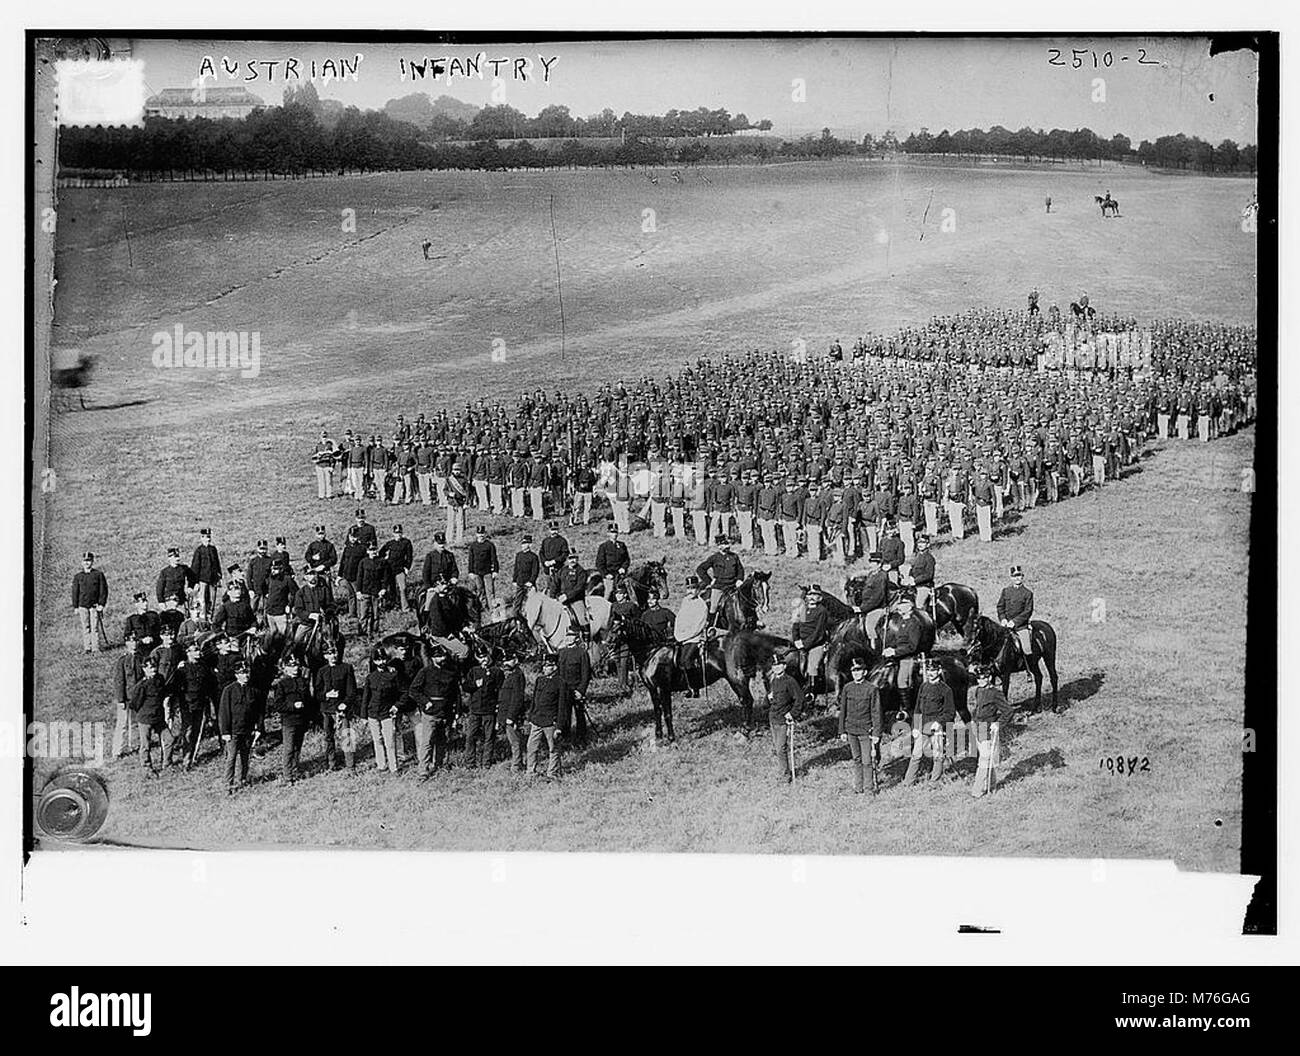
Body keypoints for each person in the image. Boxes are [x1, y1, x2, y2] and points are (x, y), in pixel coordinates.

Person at [407, 646, 459, 778]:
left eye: (443, 656)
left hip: (445, 711)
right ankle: (423, 769)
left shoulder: (451, 672)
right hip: (430, 713)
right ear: (432, 658)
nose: (441, 659)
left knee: (442, 740)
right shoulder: (425, 672)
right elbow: (413, 690)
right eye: (438, 656)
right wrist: (425, 702)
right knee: (427, 742)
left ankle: (439, 764)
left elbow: (456, 694)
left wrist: (456, 712)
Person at [902, 661, 956, 786]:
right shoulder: (923, 687)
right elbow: (917, 708)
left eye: (934, 670)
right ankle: (908, 782)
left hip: (936, 728)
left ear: (939, 671)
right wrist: (915, 727)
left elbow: (950, 712)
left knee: (938, 756)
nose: (931, 673)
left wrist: (940, 723)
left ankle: (934, 782)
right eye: (929, 671)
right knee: (916, 755)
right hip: (922, 726)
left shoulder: (946, 690)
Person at [837, 656, 883, 794]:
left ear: (864, 672)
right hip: (851, 730)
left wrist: (876, 734)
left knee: (867, 761)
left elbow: (876, 713)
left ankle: (869, 789)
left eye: (859, 670)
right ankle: (858, 787)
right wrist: (842, 731)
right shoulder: (847, 688)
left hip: (865, 730)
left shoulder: (872, 689)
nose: (856, 673)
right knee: (856, 759)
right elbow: (843, 710)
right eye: (854, 671)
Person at [970, 665, 1012, 798]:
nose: (980, 681)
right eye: (978, 678)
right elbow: (978, 708)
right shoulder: (978, 690)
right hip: (978, 727)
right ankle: (992, 785)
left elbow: (1009, 711)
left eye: (983, 678)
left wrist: (998, 724)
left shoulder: (996, 693)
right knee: (986, 758)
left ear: (989, 678)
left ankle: (977, 790)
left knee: (984, 759)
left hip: (988, 728)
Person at [314, 643, 358, 770]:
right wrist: (326, 694)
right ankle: (331, 764)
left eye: (334, 653)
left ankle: (350, 765)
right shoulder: (322, 671)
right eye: (329, 653)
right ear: (325, 656)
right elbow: (317, 693)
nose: (332, 656)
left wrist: (345, 704)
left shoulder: (346, 668)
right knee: (328, 737)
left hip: (341, 709)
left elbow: (352, 691)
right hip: (327, 710)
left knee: (347, 736)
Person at [218, 662, 259, 794]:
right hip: (233, 731)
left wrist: (258, 728)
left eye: (247, 672)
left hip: (248, 730)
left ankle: (243, 779)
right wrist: (225, 731)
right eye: (242, 673)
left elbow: (258, 712)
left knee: (245, 756)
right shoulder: (229, 690)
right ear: (236, 675)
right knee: (231, 757)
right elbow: (224, 712)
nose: (245, 675)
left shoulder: (253, 690)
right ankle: (228, 784)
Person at [526, 654, 569, 779]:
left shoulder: (560, 683)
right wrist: (531, 717)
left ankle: (552, 773)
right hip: (536, 720)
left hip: (551, 721)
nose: (544, 668)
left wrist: (559, 726)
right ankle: (530, 771)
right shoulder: (540, 680)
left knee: (553, 748)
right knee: (531, 747)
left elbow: (562, 706)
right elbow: (534, 700)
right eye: (544, 666)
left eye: (548, 666)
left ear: (555, 667)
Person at [270, 657, 312, 785]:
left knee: (297, 747)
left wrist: (309, 717)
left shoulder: (303, 681)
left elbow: (309, 700)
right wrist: (293, 706)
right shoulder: (281, 684)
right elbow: (278, 705)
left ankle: (295, 771)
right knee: (288, 749)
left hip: (302, 720)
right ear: (285, 668)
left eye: (296, 666)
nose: (295, 669)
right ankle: (288, 776)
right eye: (292, 666)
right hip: (289, 721)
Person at [129, 656, 173, 776]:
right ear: (144, 669)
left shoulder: (160, 679)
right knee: (146, 745)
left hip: (159, 717)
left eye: (154, 667)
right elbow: (134, 704)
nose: (153, 670)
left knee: (169, 739)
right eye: (150, 668)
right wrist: (143, 713)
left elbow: (163, 692)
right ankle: (147, 768)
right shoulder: (141, 686)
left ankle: (167, 764)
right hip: (145, 719)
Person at [362, 654, 403, 775]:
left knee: (390, 741)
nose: (381, 662)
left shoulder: (393, 675)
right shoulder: (370, 677)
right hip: (373, 713)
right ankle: (381, 765)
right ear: (374, 661)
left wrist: (396, 706)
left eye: (383, 659)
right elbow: (366, 697)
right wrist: (364, 716)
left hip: (387, 714)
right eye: (378, 660)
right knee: (377, 740)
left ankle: (394, 767)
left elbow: (403, 693)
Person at [461, 649, 502, 768]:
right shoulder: (474, 671)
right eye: (480, 657)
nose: (483, 660)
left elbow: (500, 690)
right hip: (475, 710)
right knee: (470, 737)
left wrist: (498, 707)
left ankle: (486, 763)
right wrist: (474, 685)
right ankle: (470, 763)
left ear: (489, 657)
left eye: (485, 657)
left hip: (489, 710)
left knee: (489, 738)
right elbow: (465, 687)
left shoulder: (496, 672)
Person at [767, 654, 803, 785]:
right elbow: (773, 699)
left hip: (783, 720)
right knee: (777, 748)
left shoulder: (790, 681)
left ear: (784, 666)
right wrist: (769, 697)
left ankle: (785, 776)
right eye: (774, 665)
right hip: (773, 718)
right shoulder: (773, 680)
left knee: (781, 748)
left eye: (779, 665)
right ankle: (783, 770)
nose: (777, 667)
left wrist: (792, 714)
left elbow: (799, 699)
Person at [674, 576, 710, 698]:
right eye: (688, 588)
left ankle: (694, 687)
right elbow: (679, 619)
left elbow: (698, 626)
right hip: (681, 636)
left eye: (693, 588)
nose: (691, 591)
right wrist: (678, 634)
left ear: (698, 589)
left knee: (686, 660)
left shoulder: (702, 605)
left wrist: (685, 636)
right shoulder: (685, 602)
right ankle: (681, 684)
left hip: (694, 638)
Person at [996, 564, 1035, 677]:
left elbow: (1028, 611)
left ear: (1022, 577)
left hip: (1020, 626)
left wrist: (1015, 622)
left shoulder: (1027, 593)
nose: (1017, 578)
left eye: (1019, 576)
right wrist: (1003, 619)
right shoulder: (1006, 591)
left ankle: (1029, 669)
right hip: (1005, 626)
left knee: (1026, 648)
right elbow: (1000, 607)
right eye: (1014, 576)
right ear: (1011, 578)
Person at [110, 631, 144, 759]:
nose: (133, 644)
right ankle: (117, 751)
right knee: (122, 724)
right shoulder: (123, 660)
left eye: (135, 641)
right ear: (126, 643)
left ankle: (140, 745)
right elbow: (119, 681)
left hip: (139, 697)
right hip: (126, 698)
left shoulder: (142, 658)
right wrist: (120, 699)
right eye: (130, 641)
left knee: (139, 723)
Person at [792, 585, 831, 693]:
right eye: (810, 594)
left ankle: (811, 692)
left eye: (815, 595)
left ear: (820, 597)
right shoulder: (803, 609)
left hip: (815, 644)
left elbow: (818, 633)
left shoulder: (821, 611)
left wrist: (805, 644)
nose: (812, 597)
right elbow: (796, 626)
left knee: (812, 666)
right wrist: (796, 640)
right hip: (800, 643)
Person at [556, 638, 593, 748]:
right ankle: (565, 739)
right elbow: (558, 672)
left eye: (570, 636)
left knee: (580, 715)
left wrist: (581, 691)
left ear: (576, 638)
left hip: (577, 690)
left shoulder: (582, 653)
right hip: (564, 691)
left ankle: (581, 739)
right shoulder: (561, 652)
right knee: (564, 714)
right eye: (566, 636)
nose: (567, 639)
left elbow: (586, 674)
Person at [71, 551, 109, 654]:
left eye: (89, 561)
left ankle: (95, 648)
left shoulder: (98, 575)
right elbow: (75, 591)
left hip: (94, 606)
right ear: (82, 562)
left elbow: (103, 590)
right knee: (85, 627)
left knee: (95, 628)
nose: (87, 563)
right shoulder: (78, 577)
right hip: (83, 606)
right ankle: (87, 648)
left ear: (92, 562)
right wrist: (76, 606)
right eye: (85, 561)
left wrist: (101, 604)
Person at [695, 536, 744, 615]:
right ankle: (711, 625)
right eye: (725, 544)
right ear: (719, 546)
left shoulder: (734, 556)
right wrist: (709, 582)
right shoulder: (714, 558)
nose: (727, 546)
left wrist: (739, 580)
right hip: (719, 587)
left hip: (733, 587)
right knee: (713, 608)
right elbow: (700, 569)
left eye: (727, 543)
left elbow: (740, 570)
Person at [497, 654, 528, 772]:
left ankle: (516, 766)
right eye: (505, 660)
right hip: (505, 714)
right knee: (512, 741)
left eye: (509, 660)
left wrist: (511, 716)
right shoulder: (509, 675)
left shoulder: (518, 676)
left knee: (515, 741)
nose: (506, 663)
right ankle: (516, 763)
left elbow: (517, 698)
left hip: (511, 715)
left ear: (515, 660)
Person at [608, 583, 640, 697]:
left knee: (624, 661)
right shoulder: (614, 606)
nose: (618, 596)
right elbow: (610, 620)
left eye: (620, 594)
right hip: (616, 637)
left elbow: (637, 622)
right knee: (617, 660)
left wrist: (624, 621)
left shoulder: (631, 606)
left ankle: (625, 685)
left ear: (625, 594)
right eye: (617, 594)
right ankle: (620, 684)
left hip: (627, 637)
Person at [355, 541, 387, 638]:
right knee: (363, 615)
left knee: (376, 615)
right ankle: (362, 634)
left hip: (376, 592)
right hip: (365, 592)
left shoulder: (382, 562)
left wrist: (383, 589)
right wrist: (358, 591)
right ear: (367, 551)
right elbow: (359, 577)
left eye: (374, 549)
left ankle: (374, 632)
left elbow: (385, 577)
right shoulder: (363, 562)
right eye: (371, 550)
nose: (373, 552)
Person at [379, 523, 414, 613]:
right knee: (391, 588)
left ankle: (405, 607)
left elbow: (409, 557)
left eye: (399, 533)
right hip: (390, 569)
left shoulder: (406, 543)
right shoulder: (390, 544)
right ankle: (392, 604)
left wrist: (407, 567)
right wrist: (385, 559)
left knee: (403, 588)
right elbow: (381, 553)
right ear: (393, 533)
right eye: (396, 533)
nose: (398, 535)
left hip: (400, 569)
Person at [594, 521, 631, 596]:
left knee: (630, 589)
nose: (614, 534)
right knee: (609, 591)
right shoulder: (603, 546)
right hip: (610, 574)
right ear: (608, 533)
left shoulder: (621, 545)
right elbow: (599, 563)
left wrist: (623, 568)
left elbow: (627, 559)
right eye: (612, 532)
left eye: (616, 532)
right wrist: (606, 574)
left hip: (621, 574)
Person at [466, 526, 499, 610]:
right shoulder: (473, 546)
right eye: (479, 533)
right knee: (480, 590)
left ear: (485, 534)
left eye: (482, 533)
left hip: (488, 572)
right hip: (476, 572)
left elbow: (494, 558)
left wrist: (495, 571)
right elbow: (471, 560)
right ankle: (483, 607)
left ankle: (492, 607)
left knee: (490, 590)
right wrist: (470, 571)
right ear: (476, 534)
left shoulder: (490, 545)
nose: (481, 535)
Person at [902, 534, 935, 613]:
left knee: (918, 606)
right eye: (919, 542)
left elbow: (929, 575)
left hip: (924, 586)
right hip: (914, 585)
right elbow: (912, 569)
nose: (920, 545)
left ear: (928, 544)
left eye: (923, 542)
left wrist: (915, 581)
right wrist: (909, 577)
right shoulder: (917, 556)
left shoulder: (929, 558)